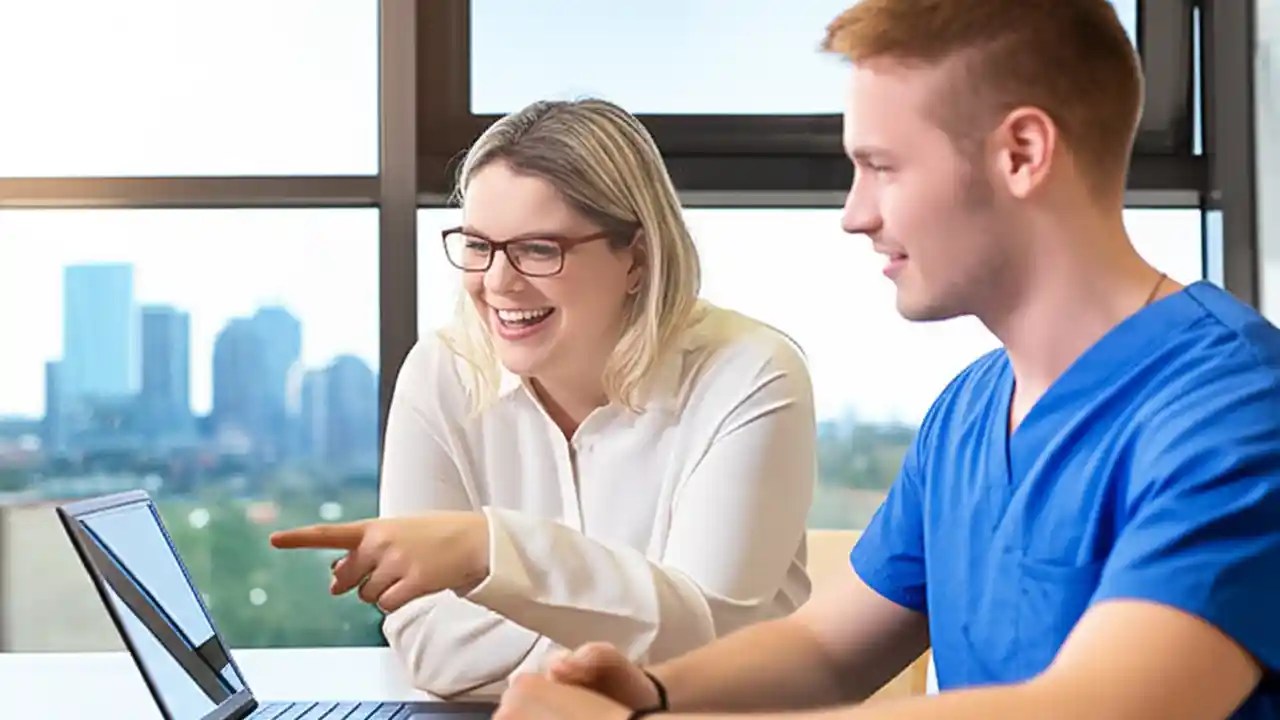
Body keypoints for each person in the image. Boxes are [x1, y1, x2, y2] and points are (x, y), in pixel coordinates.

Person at [491, 1, 1280, 718]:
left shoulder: (1235, 408)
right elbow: (828, 652)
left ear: (1023, 152)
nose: (854, 213)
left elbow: (1094, 708)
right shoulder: (969, 411)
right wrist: (656, 690)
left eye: (883, 166)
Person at [269, 98, 816, 697]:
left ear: (636, 256)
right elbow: (429, 652)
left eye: (538, 249)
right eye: (478, 245)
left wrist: (486, 556)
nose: (498, 282)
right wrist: (632, 615)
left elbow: (711, 645)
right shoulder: (440, 372)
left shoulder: (751, 374)